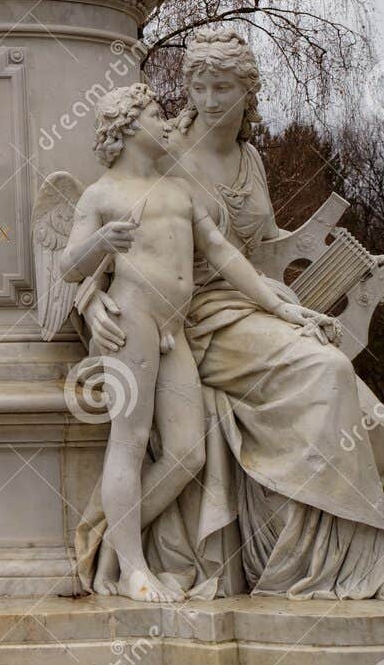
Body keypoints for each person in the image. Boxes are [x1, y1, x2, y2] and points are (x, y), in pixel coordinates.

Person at [78, 30, 384, 604]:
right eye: (198, 86)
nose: (207, 99)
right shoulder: (164, 149)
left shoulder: (250, 159)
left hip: (247, 301)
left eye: (222, 87)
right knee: (325, 373)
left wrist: (344, 275)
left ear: (247, 92)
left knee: (333, 372)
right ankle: (367, 560)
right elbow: (113, 232)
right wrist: (90, 297)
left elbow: (255, 248)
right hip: (195, 320)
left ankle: (352, 556)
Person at [60, 83, 332, 601]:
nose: (167, 121)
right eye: (155, 113)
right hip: (131, 325)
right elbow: (69, 267)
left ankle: (114, 552)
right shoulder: (101, 195)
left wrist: (280, 306)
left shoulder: (177, 191)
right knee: (130, 441)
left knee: (187, 453)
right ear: (128, 125)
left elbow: (226, 256)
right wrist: (101, 243)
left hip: (171, 330)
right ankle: (136, 568)